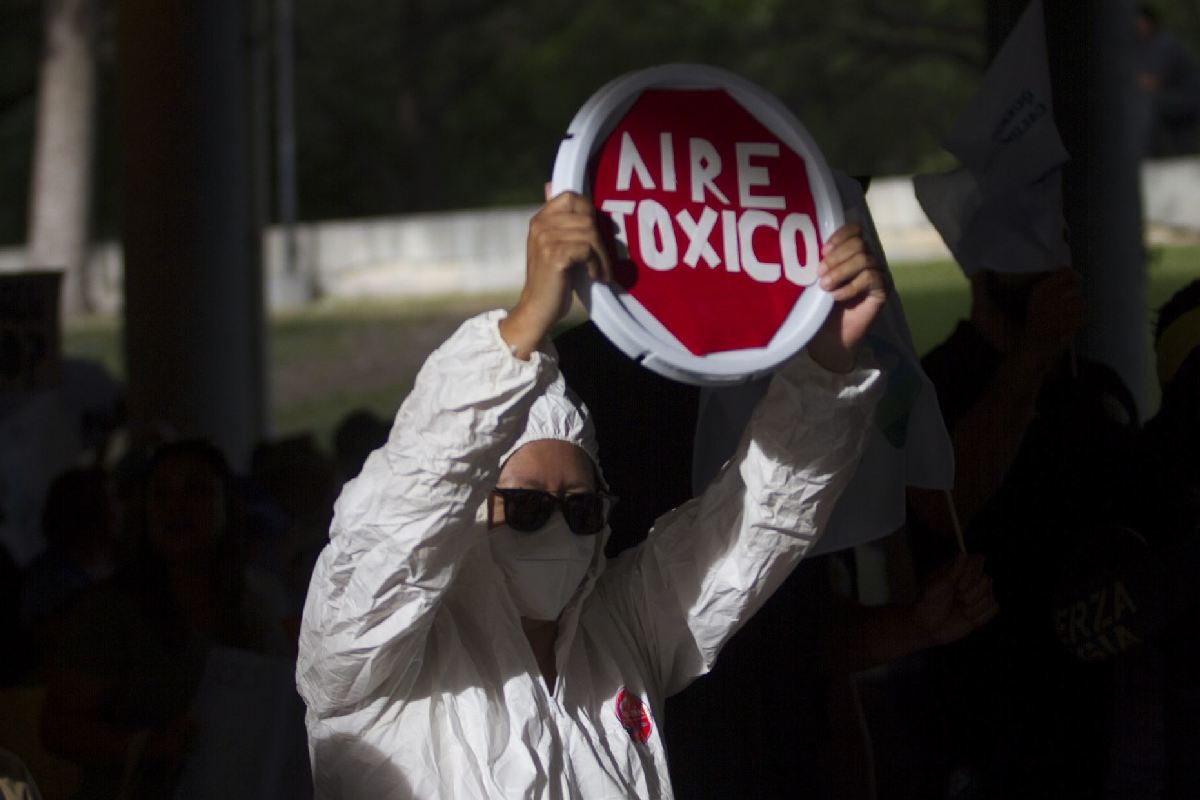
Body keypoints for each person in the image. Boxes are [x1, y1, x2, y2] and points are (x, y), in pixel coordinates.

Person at [296, 188, 889, 797]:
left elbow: (755, 525)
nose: (558, 530)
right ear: (465, 507)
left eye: (580, 509)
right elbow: (393, 522)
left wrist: (826, 363)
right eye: (526, 507)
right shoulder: (374, 659)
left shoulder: (623, 631)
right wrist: (522, 327)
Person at [42, 440, 289, 799]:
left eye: (196, 490)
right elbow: (58, 727)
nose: (176, 506)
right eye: (160, 494)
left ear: (228, 504)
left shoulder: (257, 600)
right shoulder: (112, 610)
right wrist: (146, 746)